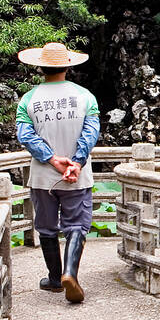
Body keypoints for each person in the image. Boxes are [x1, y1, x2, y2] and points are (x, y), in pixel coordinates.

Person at [15, 42, 101, 303]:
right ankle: (70, 273)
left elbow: (25, 135)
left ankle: (54, 279)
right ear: (68, 67)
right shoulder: (85, 96)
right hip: (77, 176)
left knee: (47, 227)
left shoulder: (28, 100)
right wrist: (76, 162)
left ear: (40, 68)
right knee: (77, 224)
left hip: (43, 176)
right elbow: (91, 132)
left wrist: (52, 159)